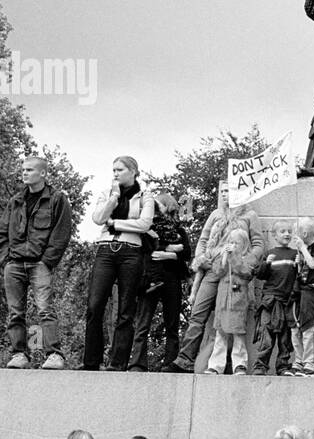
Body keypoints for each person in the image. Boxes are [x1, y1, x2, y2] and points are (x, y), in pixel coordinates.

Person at [170, 180, 264, 373]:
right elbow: (203, 240)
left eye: (228, 191)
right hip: (214, 268)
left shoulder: (249, 215)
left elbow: (258, 244)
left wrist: (246, 262)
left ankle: (232, 363)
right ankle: (185, 360)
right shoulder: (216, 214)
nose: (224, 194)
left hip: (235, 270)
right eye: (222, 191)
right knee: (198, 312)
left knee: (233, 319)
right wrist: (201, 258)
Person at [0, 154, 72, 370]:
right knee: (15, 313)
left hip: (39, 264)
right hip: (14, 264)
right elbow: (2, 232)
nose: (24, 172)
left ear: (43, 173)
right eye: (23, 169)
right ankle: (19, 354)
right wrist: (5, 259)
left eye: (29, 169)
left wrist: (46, 261)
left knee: (45, 309)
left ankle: (54, 355)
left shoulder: (57, 199)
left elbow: (62, 233)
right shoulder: (16, 201)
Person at [83, 156, 155, 371]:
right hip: (105, 249)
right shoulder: (107, 194)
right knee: (95, 306)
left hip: (131, 252)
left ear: (133, 171)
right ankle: (91, 361)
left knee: (126, 309)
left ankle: (117, 362)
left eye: (120, 170)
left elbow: (144, 224)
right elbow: (97, 218)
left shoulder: (145, 196)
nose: (115, 174)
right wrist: (113, 199)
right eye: (113, 170)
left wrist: (114, 222)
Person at [128, 190, 192, 372]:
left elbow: (186, 253)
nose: (154, 207)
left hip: (172, 279)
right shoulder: (148, 227)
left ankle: (170, 362)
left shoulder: (179, 230)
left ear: (168, 206)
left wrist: (168, 254)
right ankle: (137, 363)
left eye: (159, 204)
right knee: (143, 322)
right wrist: (170, 249)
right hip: (150, 278)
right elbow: (145, 250)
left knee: (172, 323)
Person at [205, 229, 258, 375]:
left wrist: (234, 257)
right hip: (223, 299)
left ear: (244, 244)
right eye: (231, 242)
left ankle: (240, 364)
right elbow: (217, 271)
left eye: (236, 242)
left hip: (238, 300)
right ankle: (216, 365)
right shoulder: (224, 255)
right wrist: (224, 257)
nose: (233, 245)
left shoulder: (248, 257)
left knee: (238, 332)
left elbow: (246, 272)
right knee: (220, 333)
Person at [252, 221, 300, 377]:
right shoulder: (270, 253)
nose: (287, 234)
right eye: (282, 231)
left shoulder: (295, 254)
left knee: (285, 338)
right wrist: (266, 263)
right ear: (274, 235)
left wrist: (300, 263)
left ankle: (283, 366)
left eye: (289, 231)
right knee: (266, 335)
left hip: (288, 302)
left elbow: (299, 277)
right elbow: (260, 275)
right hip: (270, 301)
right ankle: (260, 366)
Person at [290, 219, 314, 377]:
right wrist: (299, 262)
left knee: (309, 327)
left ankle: (311, 364)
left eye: (296, 232)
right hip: (299, 291)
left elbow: (313, 264)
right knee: (296, 327)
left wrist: (302, 248)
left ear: (304, 234)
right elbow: (304, 269)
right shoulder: (303, 250)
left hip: (311, 292)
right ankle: (299, 361)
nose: (294, 237)